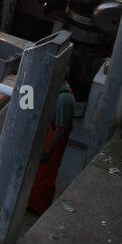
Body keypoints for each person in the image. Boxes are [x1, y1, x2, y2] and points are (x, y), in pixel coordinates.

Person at [27, 81, 77, 214]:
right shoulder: (49, 90)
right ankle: (29, 202)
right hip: (41, 138)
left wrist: (47, 151)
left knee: (44, 176)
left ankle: (38, 207)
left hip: (51, 144)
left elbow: (60, 129)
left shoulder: (64, 99)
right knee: (35, 174)